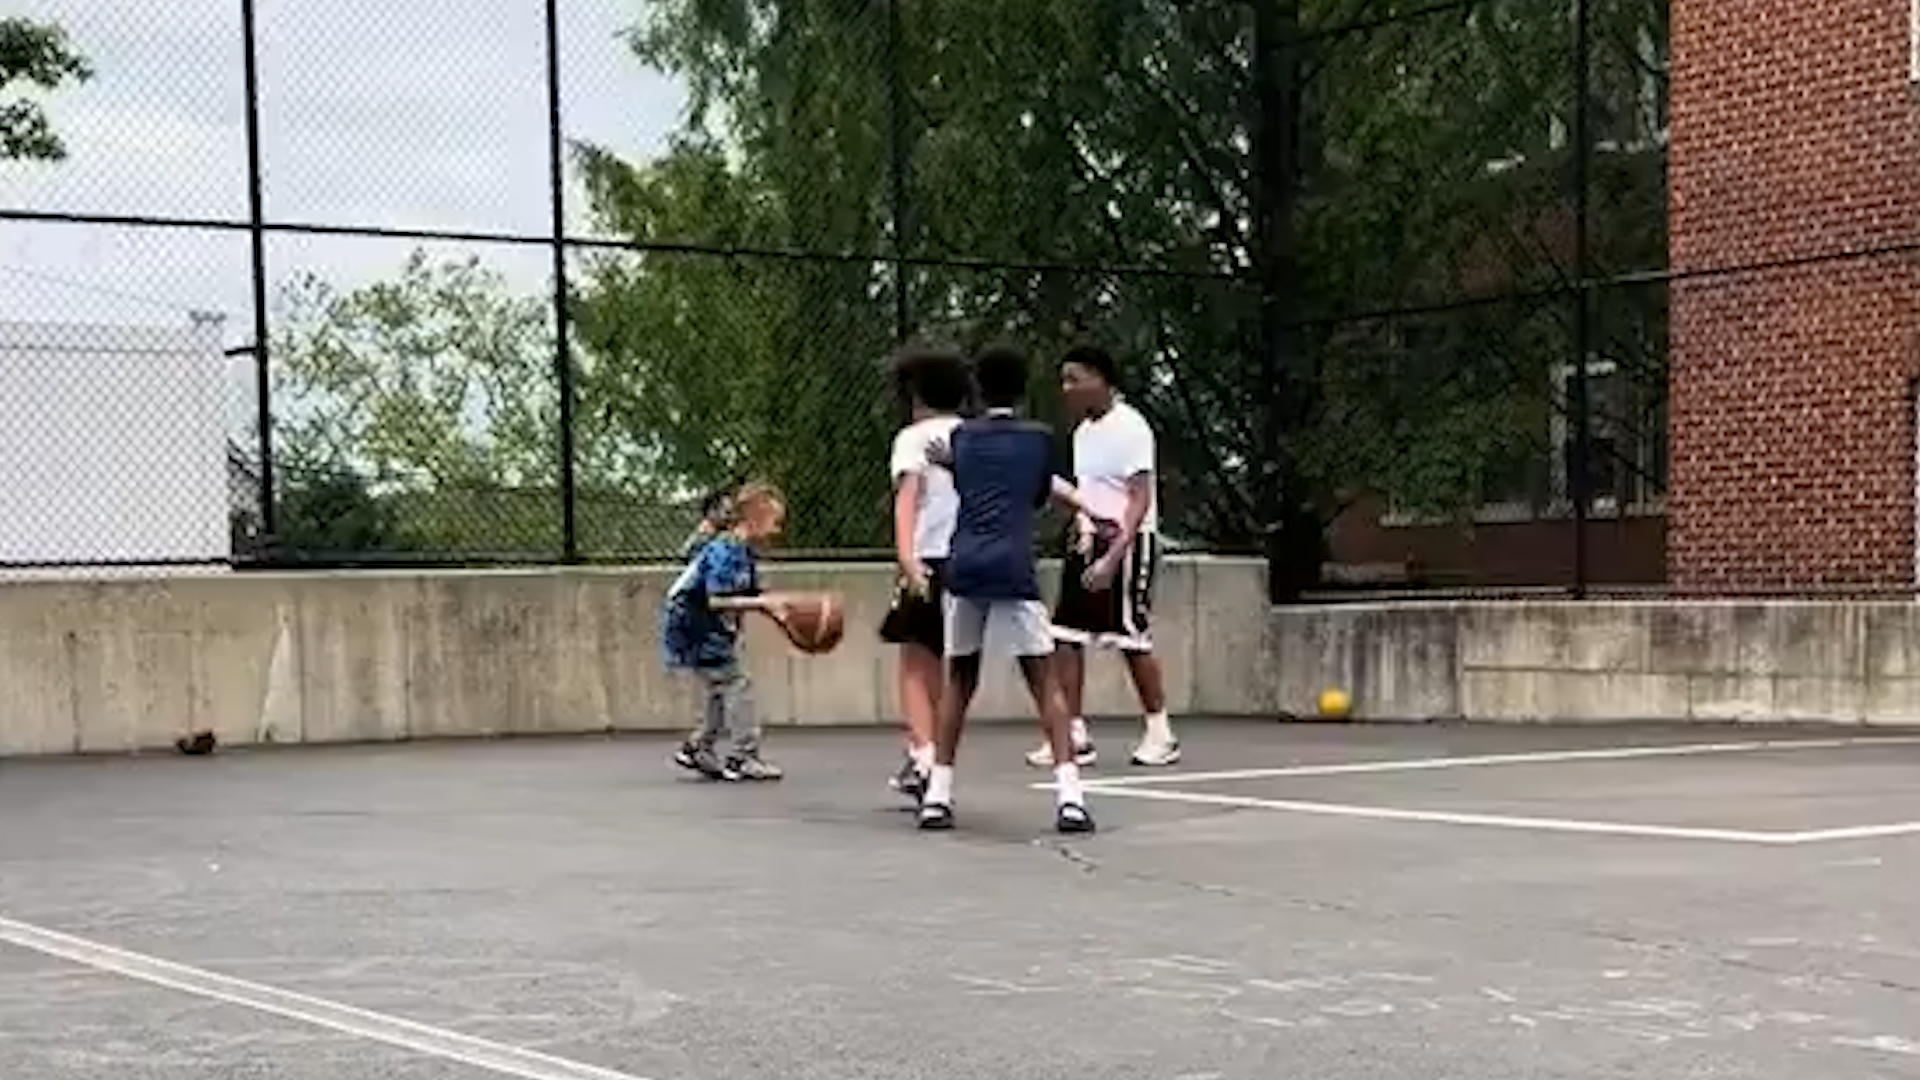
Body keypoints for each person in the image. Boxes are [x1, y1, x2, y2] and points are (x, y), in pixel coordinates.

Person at [917, 344, 1114, 834]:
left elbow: (971, 481)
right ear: (1024, 390)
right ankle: (1071, 798)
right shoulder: (1038, 440)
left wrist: (953, 464)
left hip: (965, 565)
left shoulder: (962, 438)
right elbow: (1036, 492)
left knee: (959, 679)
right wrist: (1089, 510)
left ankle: (937, 794)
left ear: (977, 390)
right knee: (1044, 681)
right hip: (1012, 567)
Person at [1029, 343, 1180, 769]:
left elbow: (1139, 497)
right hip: (1088, 540)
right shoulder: (1083, 433)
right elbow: (1088, 492)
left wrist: (1114, 556)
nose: (1066, 388)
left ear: (1100, 379)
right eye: (1064, 380)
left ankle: (1161, 733)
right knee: (1066, 636)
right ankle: (1074, 735)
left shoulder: (1131, 428)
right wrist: (1083, 529)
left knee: (1131, 637)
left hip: (1128, 543)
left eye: (1074, 379)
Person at [877, 345, 972, 800]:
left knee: (916, 662)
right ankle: (932, 752)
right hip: (971, 557)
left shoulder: (913, 439)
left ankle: (924, 755)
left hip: (930, 556)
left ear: (916, 396)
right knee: (954, 663)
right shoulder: (972, 435)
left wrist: (906, 558)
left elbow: (908, 499)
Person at [662, 481, 792, 783]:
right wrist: (762, 605)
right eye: (774, 522)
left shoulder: (744, 552)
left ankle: (698, 747)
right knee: (737, 683)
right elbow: (717, 599)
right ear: (755, 518)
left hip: (707, 624)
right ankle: (743, 756)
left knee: (719, 685)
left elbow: (752, 593)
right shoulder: (725, 550)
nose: (777, 530)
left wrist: (778, 610)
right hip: (693, 623)